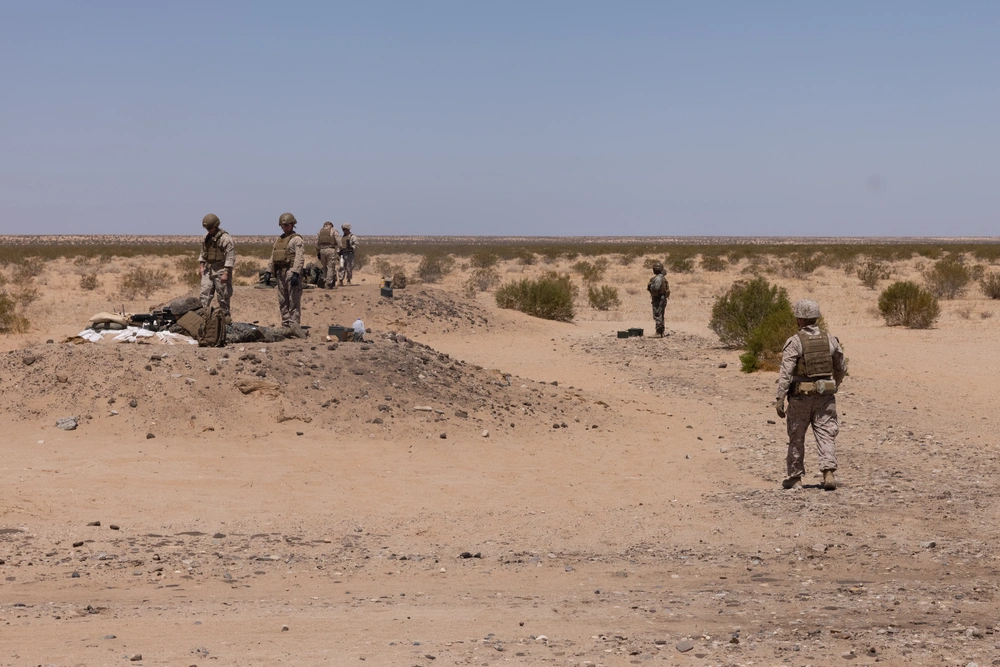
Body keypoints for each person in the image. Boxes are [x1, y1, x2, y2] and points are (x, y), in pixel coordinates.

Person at [775, 299, 847, 491]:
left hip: (800, 397)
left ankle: (795, 477)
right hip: (825, 396)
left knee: (797, 436)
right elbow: (841, 367)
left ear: (799, 319)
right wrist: (834, 386)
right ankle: (828, 472)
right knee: (826, 434)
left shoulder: (795, 342)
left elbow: (786, 373)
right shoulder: (830, 339)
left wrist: (780, 399)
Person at [263, 212, 306, 337]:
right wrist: (268, 271)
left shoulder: (297, 239)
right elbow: (273, 256)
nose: (285, 227)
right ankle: (286, 325)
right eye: (283, 225)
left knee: (293, 301)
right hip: (280, 273)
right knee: (282, 300)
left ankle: (295, 325)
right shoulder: (279, 240)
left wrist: (296, 273)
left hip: (291, 271)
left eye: (287, 225)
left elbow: (299, 257)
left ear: (292, 224)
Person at [197, 214, 236, 320]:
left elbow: (230, 257)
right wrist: (201, 266)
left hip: (221, 269)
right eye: (207, 228)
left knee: (223, 296)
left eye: (210, 228)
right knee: (204, 293)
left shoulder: (226, 239)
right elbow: (203, 253)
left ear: (216, 225)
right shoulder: (206, 237)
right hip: (208, 269)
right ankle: (202, 317)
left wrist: (226, 273)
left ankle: (225, 318)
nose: (208, 230)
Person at [646, 261, 670, 337]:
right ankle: (661, 331)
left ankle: (659, 332)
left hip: (658, 298)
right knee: (660, 314)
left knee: (657, 314)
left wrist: (650, 286)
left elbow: (656, 288)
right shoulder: (661, 277)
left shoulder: (658, 278)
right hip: (661, 298)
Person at [316, 221, 341, 289]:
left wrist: (318, 252)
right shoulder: (333, 230)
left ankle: (325, 281)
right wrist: (339, 250)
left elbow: (316, 242)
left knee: (324, 267)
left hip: (322, 250)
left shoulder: (320, 231)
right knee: (331, 267)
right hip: (330, 249)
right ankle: (329, 284)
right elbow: (338, 241)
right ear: (331, 225)